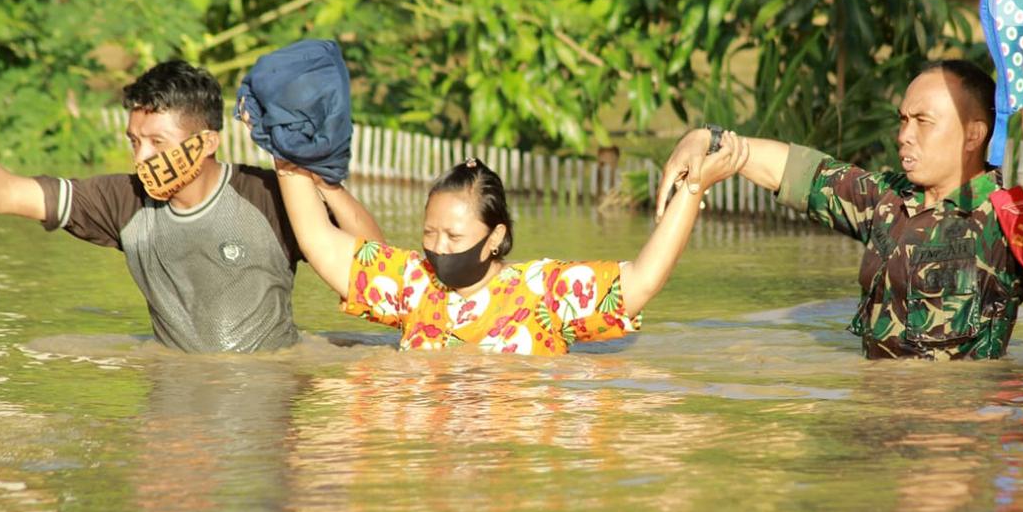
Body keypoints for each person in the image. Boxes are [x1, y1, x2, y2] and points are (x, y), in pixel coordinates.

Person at [655, 43, 1023, 360]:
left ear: (974, 134)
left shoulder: (999, 219)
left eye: (923, 121)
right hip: (878, 417)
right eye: (902, 120)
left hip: (959, 431)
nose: (904, 135)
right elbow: (800, 172)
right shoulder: (887, 201)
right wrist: (708, 140)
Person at [0, 60, 383, 352]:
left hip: (267, 393)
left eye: (157, 142)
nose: (141, 156)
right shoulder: (125, 201)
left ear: (206, 143)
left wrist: (319, 178)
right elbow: (4, 193)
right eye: (134, 141)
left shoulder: (266, 194)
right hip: (175, 399)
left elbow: (377, 268)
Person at [275, 138, 748, 355]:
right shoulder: (414, 283)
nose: (439, 248)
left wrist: (692, 190)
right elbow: (318, 241)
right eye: (430, 234)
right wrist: (286, 149)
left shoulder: (544, 291)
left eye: (456, 237)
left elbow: (643, 280)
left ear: (496, 238)